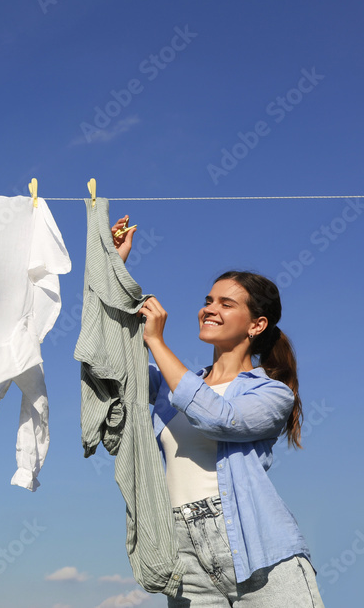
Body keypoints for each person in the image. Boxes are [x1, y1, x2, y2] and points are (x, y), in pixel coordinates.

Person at [111, 214, 324, 607]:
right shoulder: (170, 387)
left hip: (260, 556)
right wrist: (113, 266)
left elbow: (217, 418)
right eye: (208, 300)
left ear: (256, 324)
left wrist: (156, 342)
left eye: (227, 304)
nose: (210, 308)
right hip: (184, 560)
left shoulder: (272, 394)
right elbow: (111, 364)